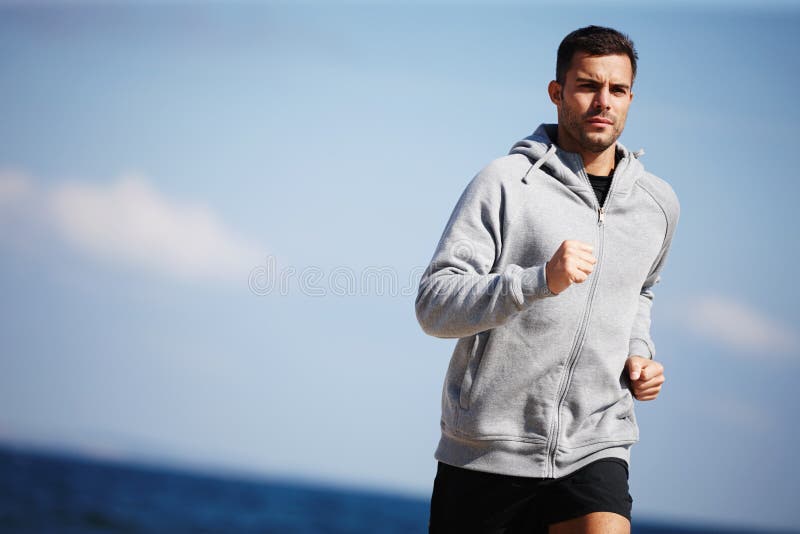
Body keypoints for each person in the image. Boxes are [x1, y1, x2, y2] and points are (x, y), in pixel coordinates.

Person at [415, 26, 680, 534]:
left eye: (617, 90)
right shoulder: (506, 182)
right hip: (487, 451)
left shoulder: (657, 205)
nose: (603, 102)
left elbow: (641, 291)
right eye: (587, 86)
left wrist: (638, 351)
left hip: (596, 443)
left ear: (630, 98)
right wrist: (538, 281)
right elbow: (434, 303)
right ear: (557, 92)